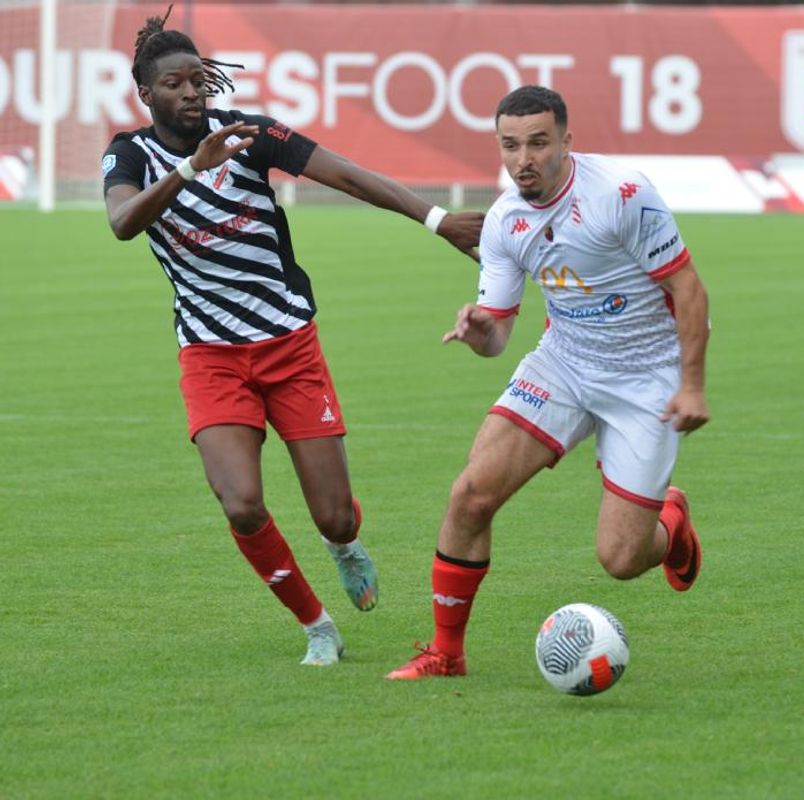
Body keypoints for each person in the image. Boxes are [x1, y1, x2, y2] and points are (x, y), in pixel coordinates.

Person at [101, 7, 484, 666]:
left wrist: (436, 219)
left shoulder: (251, 135)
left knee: (334, 516)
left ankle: (344, 547)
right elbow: (122, 222)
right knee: (242, 503)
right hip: (211, 356)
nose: (190, 91)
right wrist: (191, 169)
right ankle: (316, 626)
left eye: (198, 79)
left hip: (288, 346)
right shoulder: (130, 152)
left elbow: (349, 175)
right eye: (174, 84)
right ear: (146, 94)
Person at [385, 85, 709, 680]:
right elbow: (500, 335)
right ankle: (445, 653)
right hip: (564, 362)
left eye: (538, 143)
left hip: (645, 376)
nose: (523, 159)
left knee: (619, 558)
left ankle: (672, 523)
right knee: (471, 495)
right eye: (510, 146)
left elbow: (688, 287)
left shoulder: (622, 195)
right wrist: (479, 327)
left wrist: (691, 386)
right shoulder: (505, 221)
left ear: (566, 140)